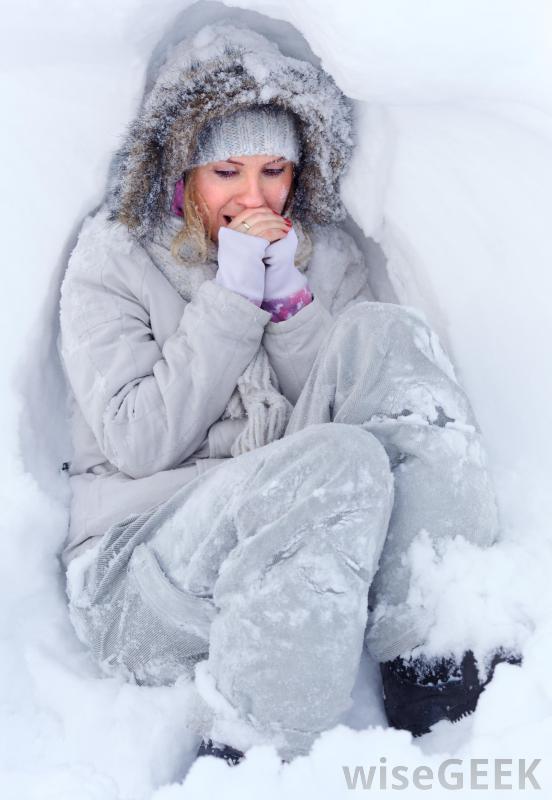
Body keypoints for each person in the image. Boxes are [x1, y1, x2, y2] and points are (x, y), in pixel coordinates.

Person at [59, 23, 518, 764]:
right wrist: (234, 297)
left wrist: (289, 304)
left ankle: (443, 667)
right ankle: (252, 758)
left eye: (274, 170)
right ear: (182, 174)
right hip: (140, 577)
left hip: (297, 548)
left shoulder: (322, 257)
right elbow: (139, 440)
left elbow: (358, 409)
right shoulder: (112, 259)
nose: (254, 195)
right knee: (335, 460)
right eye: (227, 172)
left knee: (389, 338)